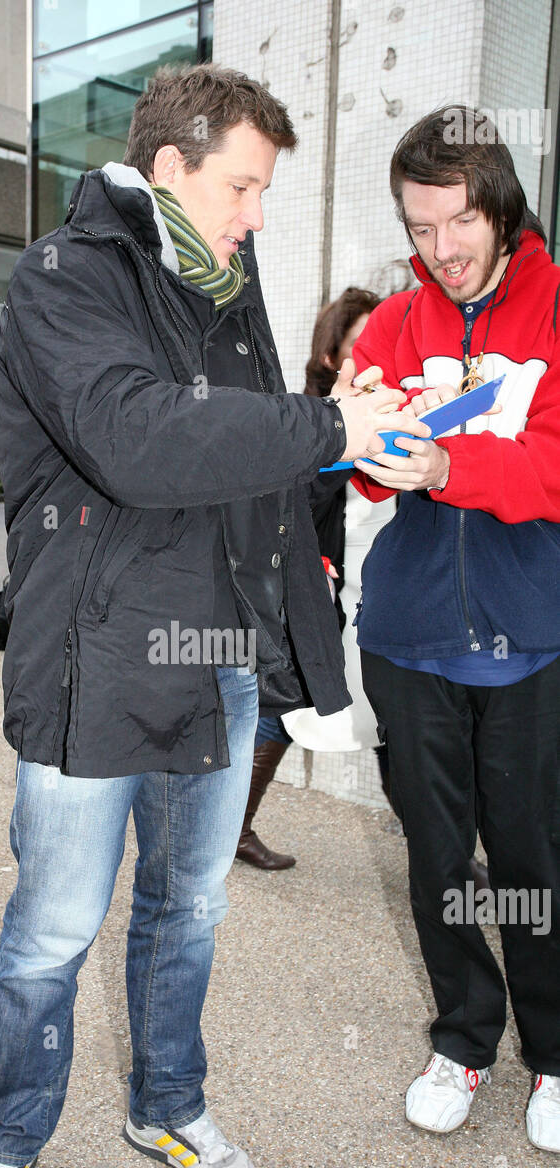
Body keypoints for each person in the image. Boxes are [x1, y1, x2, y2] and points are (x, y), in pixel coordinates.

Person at [0, 63, 419, 1168]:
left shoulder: (228, 273)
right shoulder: (64, 278)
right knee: (52, 932)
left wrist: (361, 441)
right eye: (244, 187)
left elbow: (240, 458)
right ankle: (7, 1139)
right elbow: (138, 438)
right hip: (88, 666)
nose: (259, 213)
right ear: (170, 169)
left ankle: (167, 1107)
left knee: (187, 910)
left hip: (213, 656)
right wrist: (325, 425)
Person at [350, 106, 560, 1150]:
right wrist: (353, 432)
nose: (440, 251)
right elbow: (354, 462)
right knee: (436, 854)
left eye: (457, 224)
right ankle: (464, 1040)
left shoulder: (557, 307)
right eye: (419, 227)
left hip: (530, 638)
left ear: (499, 202)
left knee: (532, 856)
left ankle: (554, 1054)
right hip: (407, 636)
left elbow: (555, 466)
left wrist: (448, 464)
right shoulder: (393, 322)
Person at [235, 287, 392, 872]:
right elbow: (294, 504)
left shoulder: (403, 409)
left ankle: (439, 849)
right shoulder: (306, 417)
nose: (377, 358)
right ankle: (233, 827)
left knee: (396, 709)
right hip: (322, 584)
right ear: (333, 357)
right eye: (361, 346)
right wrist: (345, 442)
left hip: (383, 581)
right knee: (285, 705)